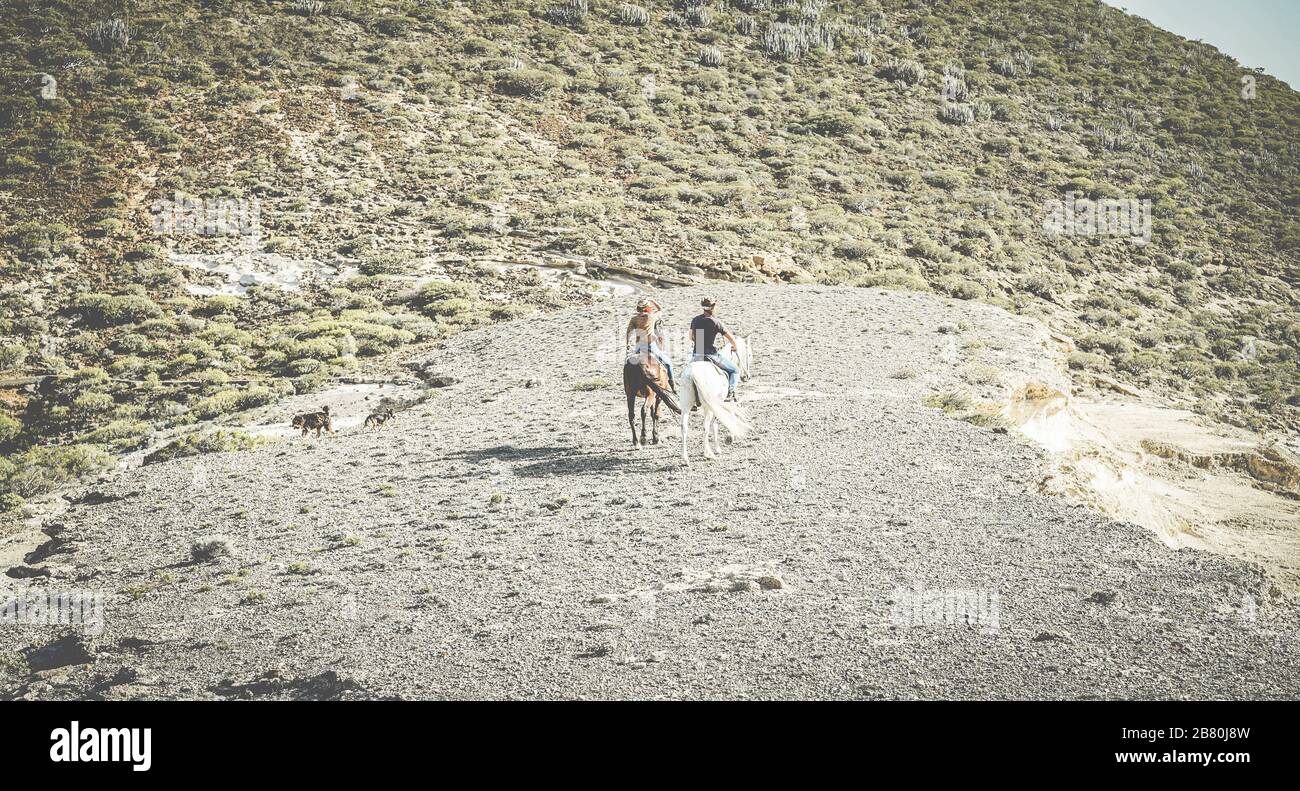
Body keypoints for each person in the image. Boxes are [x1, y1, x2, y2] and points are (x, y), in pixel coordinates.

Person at [690, 296, 739, 402]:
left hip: (697, 354)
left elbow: (691, 337)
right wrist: (735, 346)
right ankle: (731, 393)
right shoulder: (715, 322)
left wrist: (700, 341)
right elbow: (731, 338)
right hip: (710, 354)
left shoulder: (695, 320)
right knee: (734, 371)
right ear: (713, 307)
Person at [626, 296, 676, 392]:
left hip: (639, 347)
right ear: (648, 308)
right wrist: (653, 300)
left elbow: (628, 333)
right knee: (668, 363)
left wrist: (627, 344)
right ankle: (673, 386)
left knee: (628, 364)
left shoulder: (634, 319)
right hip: (650, 346)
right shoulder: (652, 316)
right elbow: (660, 309)